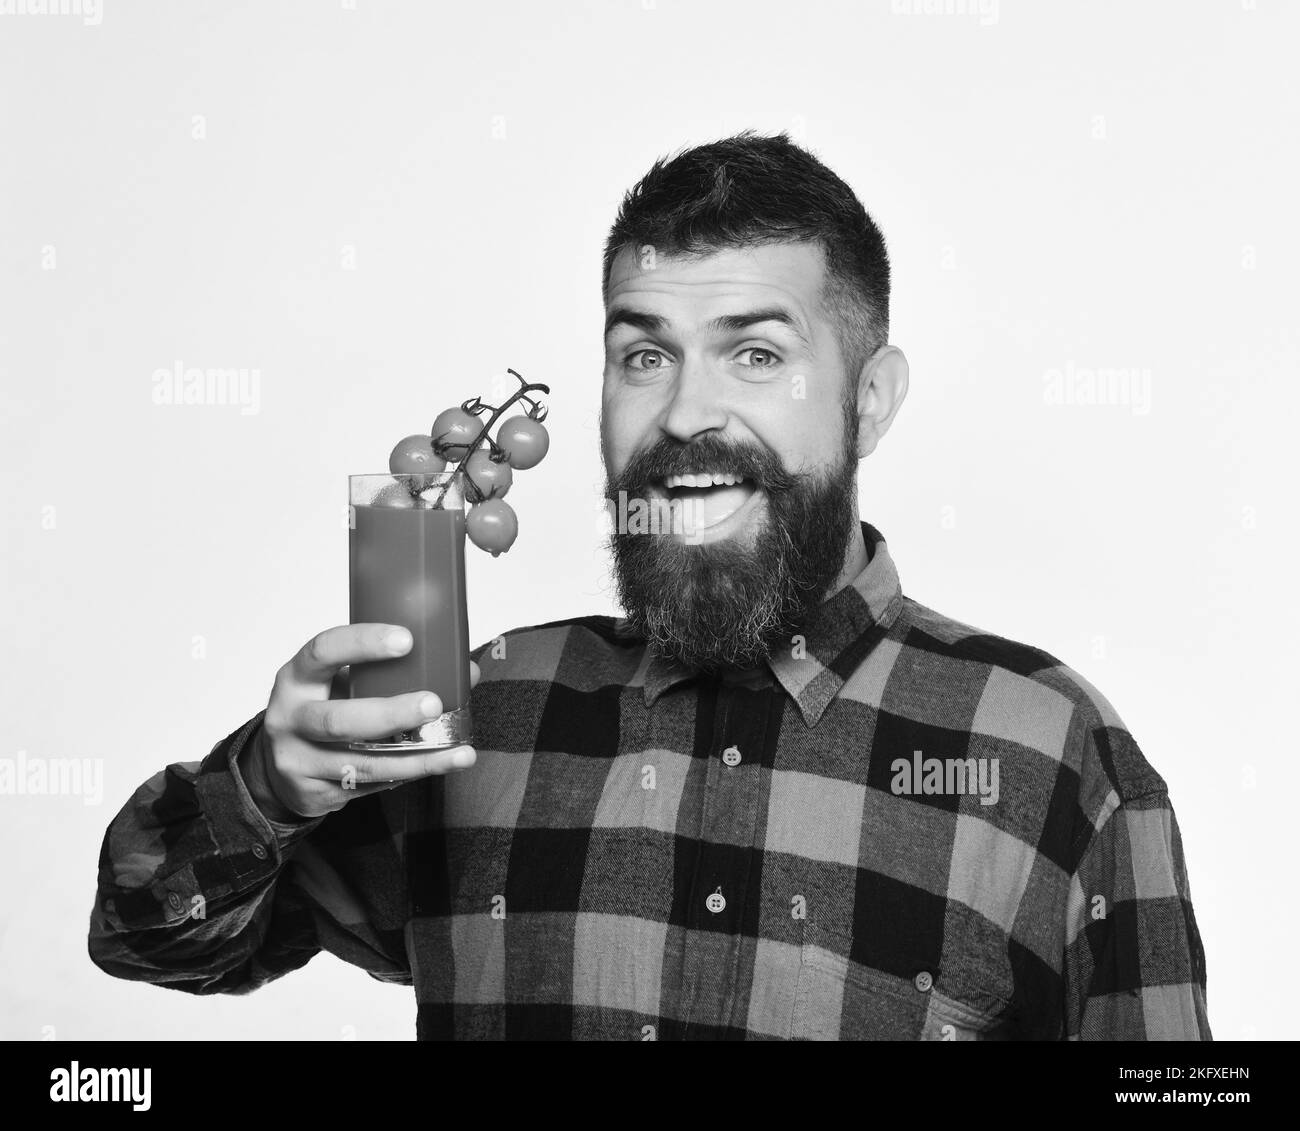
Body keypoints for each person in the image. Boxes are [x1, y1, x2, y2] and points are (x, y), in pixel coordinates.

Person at [89, 131, 1210, 1040]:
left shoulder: (1049, 751)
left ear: (869, 399)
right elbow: (152, 940)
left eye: (756, 354)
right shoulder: (486, 707)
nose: (682, 413)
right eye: (644, 354)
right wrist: (267, 789)